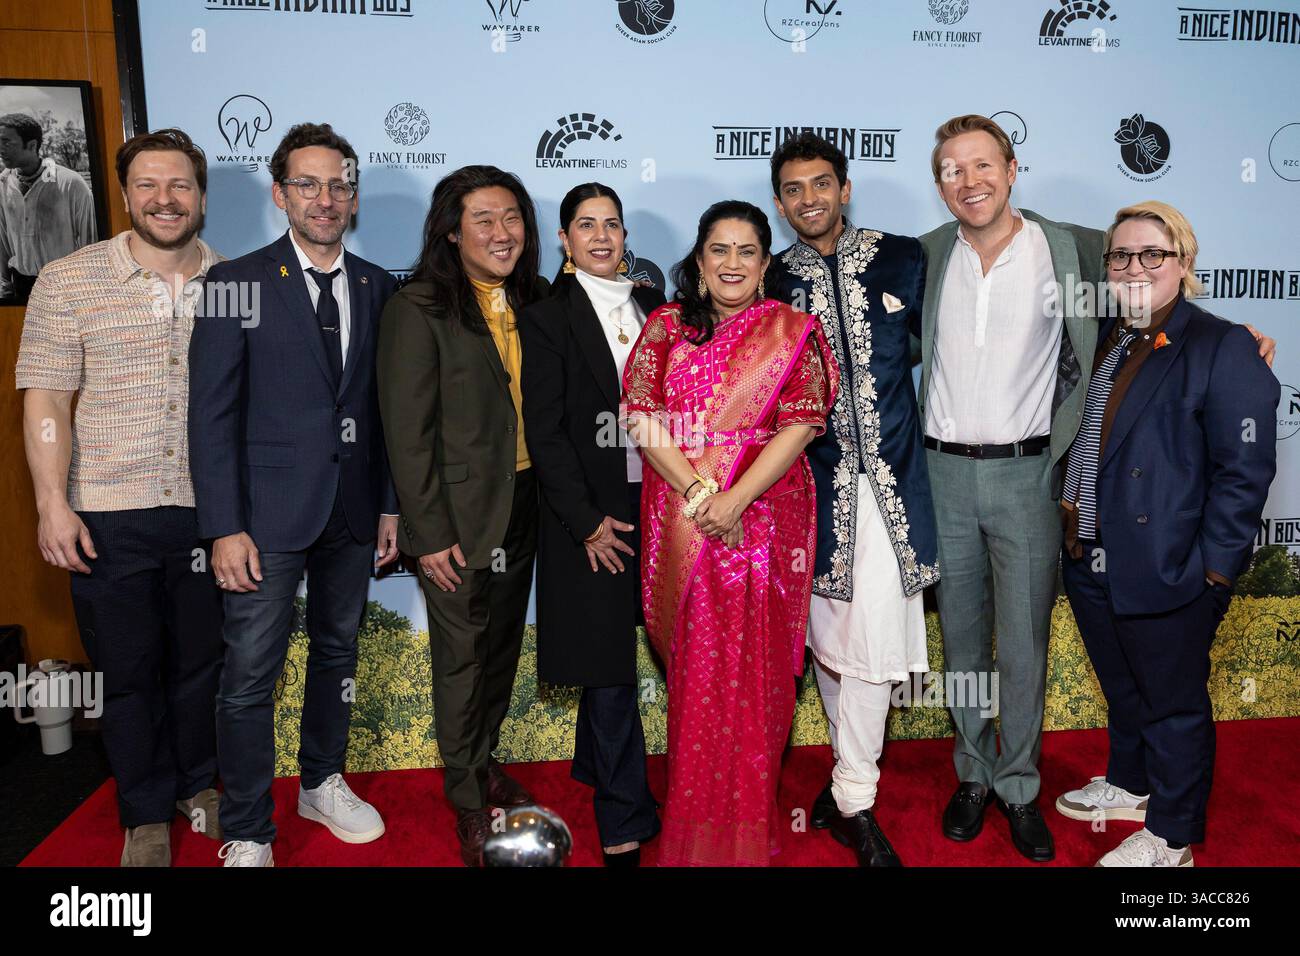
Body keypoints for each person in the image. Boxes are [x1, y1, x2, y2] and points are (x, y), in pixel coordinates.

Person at [916, 115, 1277, 863]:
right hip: (943, 472)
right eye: (953, 170)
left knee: (1024, 646)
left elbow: (1165, 309)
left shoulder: (1073, 249)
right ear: (940, 183)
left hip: (1029, 474)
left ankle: (1019, 785)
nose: (970, 181)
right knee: (965, 646)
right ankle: (974, 774)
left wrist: (1236, 340)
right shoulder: (921, 257)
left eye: (984, 165)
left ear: (1013, 170)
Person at [189, 123, 400, 868]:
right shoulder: (231, 284)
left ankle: (321, 779)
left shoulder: (380, 286)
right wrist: (223, 527)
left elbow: (386, 411)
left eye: (339, 185)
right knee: (249, 674)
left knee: (337, 656)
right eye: (306, 184)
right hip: (262, 521)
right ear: (279, 193)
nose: (325, 198)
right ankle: (246, 825)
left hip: (350, 513)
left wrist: (389, 504)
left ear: (353, 196)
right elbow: (209, 413)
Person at [16, 128, 223, 866]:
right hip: (105, 512)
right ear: (125, 192)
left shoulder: (239, 285)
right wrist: (50, 503)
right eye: (148, 185)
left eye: (180, 186)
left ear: (202, 195)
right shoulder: (68, 281)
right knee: (130, 672)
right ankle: (144, 811)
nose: (165, 199)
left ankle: (200, 784)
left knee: (205, 666)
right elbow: (46, 400)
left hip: (212, 514)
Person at [1054, 201, 1278, 867]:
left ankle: (1173, 836)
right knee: (1124, 688)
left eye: (1152, 254)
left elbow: (1245, 472)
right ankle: (1131, 784)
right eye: (1121, 255)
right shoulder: (1106, 338)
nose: (1134, 267)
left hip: (1168, 563)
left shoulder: (1221, 344)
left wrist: (1214, 573)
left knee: (1174, 705)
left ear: (1182, 262)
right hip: (1089, 553)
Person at [622, 200, 838, 866]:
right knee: (697, 678)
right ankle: (695, 827)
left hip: (766, 522)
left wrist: (737, 496)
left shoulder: (792, 331)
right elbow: (639, 412)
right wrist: (698, 491)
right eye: (720, 250)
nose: (733, 264)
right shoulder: (664, 326)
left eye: (747, 251)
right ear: (699, 260)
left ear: (767, 263)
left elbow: (803, 423)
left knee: (757, 678)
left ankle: (744, 829)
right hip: (683, 518)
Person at [769, 132, 939, 867]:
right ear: (780, 202)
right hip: (806, 496)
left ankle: (854, 800)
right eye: (794, 189)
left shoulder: (905, 257)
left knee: (870, 651)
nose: (809, 199)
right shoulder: (771, 278)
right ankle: (847, 791)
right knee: (832, 648)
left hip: (893, 491)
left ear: (844, 188)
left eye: (821, 184)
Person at [378, 165, 547, 867]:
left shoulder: (534, 299)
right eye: (483, 219)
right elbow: (405, 432)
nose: (501, 232)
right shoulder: (419, 307)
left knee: (501, 651)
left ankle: (483, 759)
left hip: (524, 504)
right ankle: (469, 800)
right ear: (451, 232)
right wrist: (429, 534)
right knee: (461, 661)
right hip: (454, 518)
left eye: (511, 218)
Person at [519, 183, 663, 866]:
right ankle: (624, 817)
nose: (602, 236)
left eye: (612, 224)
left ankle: (598, 769)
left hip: (664, 509)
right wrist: (585, 522)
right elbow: (544, 433)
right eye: (586, 225)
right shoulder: (547, 318)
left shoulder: (658, 309)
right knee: (609, 667)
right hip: (593, 517)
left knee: (642, 652)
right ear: (564, 240)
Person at [0, 112, 97, 304]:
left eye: (6, 142)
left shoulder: (70, 183)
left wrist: (88, 292)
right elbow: (2, 239)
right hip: (21, 286)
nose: (1, 149)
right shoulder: (3, 184)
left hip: (64, 287)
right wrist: (5, 288)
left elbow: (90, 242)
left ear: (32, 145)